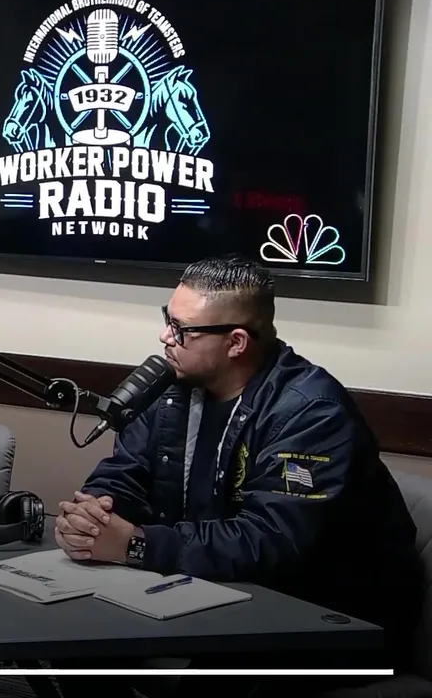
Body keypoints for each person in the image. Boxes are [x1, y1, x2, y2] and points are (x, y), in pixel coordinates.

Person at [52, 255, 422, 698]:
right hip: (215, 590)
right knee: (72, 641)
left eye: (182, 329)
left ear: (236, 342)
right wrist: (93, 515)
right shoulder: (171, 387)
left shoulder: (311, 412)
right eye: (167, 320)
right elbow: (126, 472)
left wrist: (137, 544)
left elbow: (272, 540)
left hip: (327, 613)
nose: (165, 337)